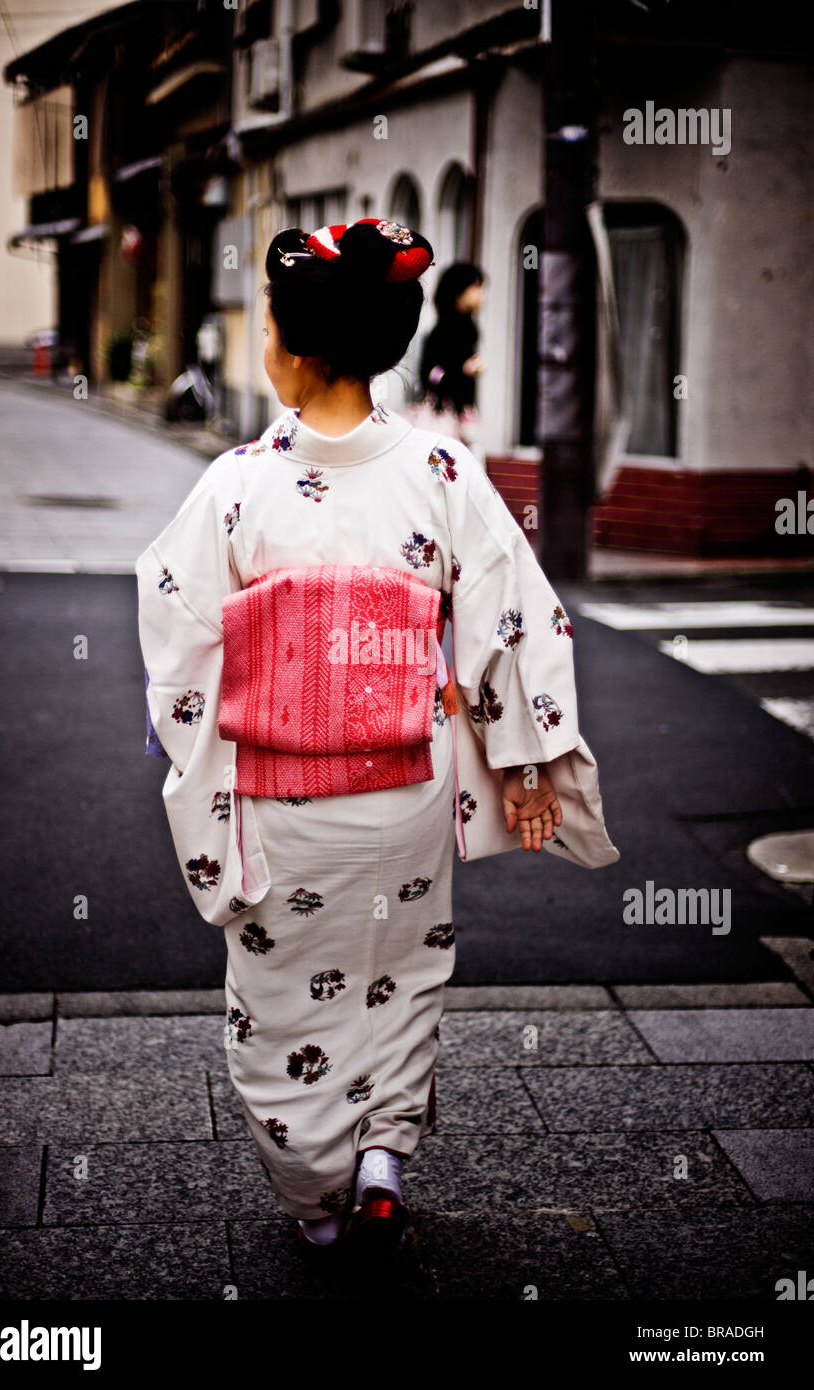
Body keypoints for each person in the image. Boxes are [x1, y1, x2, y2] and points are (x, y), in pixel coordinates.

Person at [135, 216, 611, 1257]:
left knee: (278, 997)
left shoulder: (238, 485)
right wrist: (526, 756)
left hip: (284, 798)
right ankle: (386, 1150)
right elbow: (511, 613)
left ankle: (318, 1201)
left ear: (294, 348)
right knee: (402, 967)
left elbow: (178, 635)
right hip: (408, 791)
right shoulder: (442, 469)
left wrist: (200, 750)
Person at [412, 262, 485, 455]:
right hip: (442, 418)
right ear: (458, 292)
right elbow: (430, 373)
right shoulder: (443, 331)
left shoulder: (469, 329)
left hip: (461, 419)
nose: (481, 294)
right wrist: (462, 371)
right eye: (476, 287)